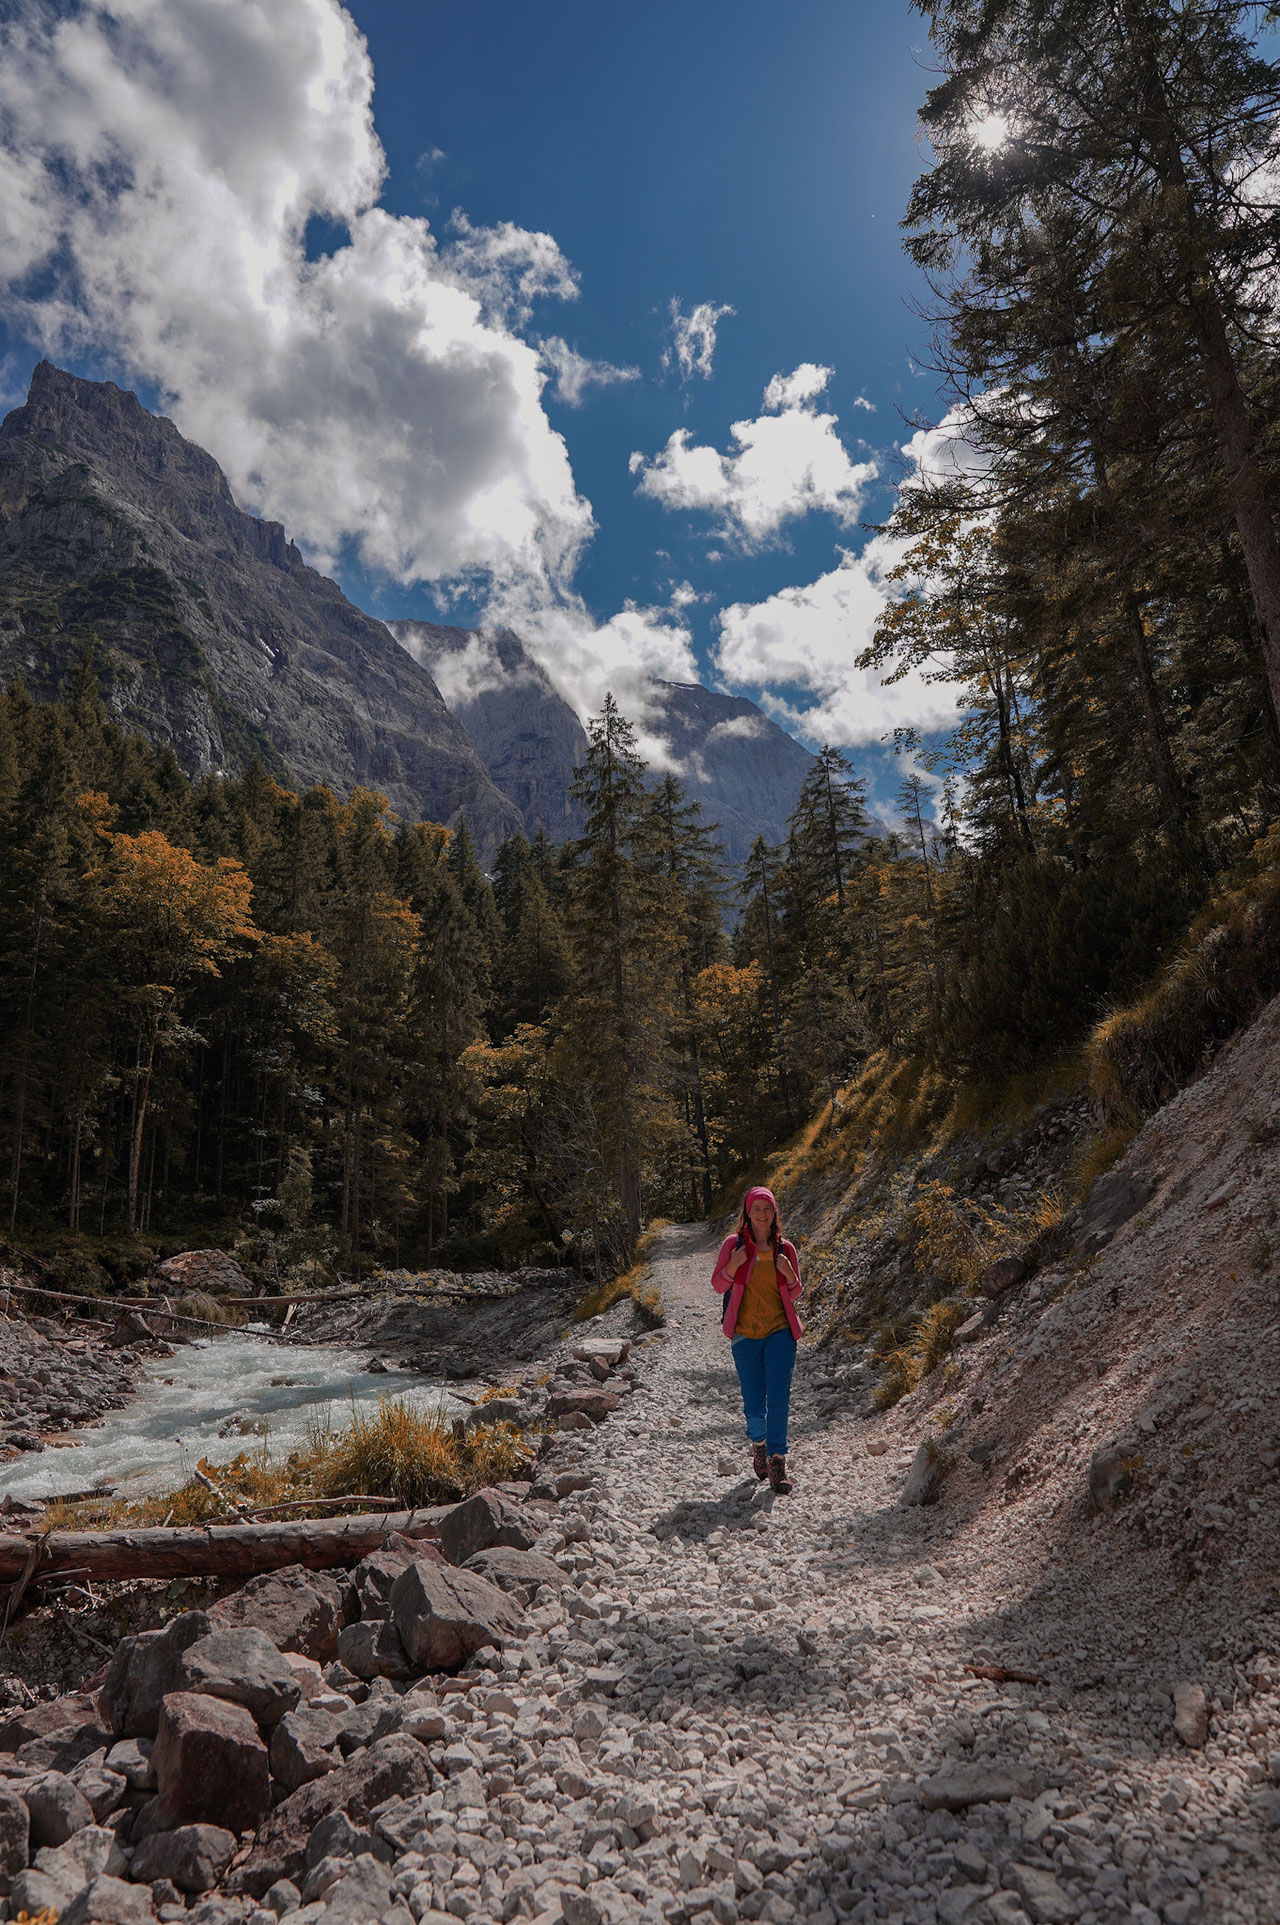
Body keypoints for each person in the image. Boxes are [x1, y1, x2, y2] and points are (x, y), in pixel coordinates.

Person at [712, 1185, 802, 1494]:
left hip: (780, 1334)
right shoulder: (733, 1245)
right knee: (753, 1405)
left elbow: (795, 1291)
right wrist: (734, 1264)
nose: (763, 1214)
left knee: (778, 1399)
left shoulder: (785, 1249)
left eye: (768, 1208)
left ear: (774, 1212)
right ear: (747, 1213)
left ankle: (778, 1462)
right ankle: (759, 1444)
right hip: (745, 1336)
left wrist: (789, 1274)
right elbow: (718, 1285)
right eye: (757, 1209)